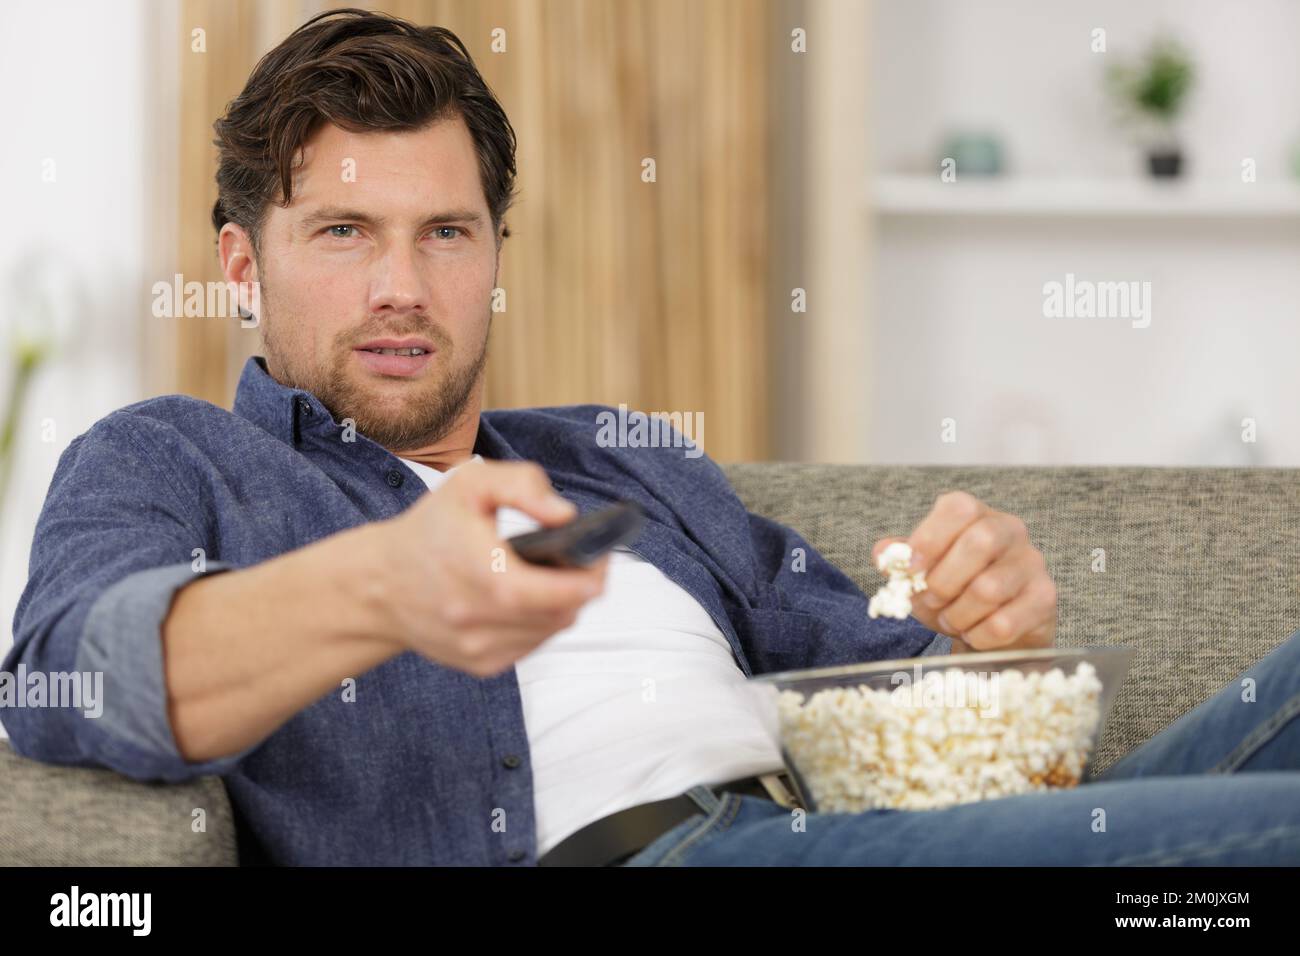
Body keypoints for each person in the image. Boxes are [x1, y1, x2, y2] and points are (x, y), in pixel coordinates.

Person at [4, 8, 1297, 867]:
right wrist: (384, 585)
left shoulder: (623, 460)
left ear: (495, 255)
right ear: (242, 263)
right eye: (343, 234)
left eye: (445, 233)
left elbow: (898, 693)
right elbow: (73, 677)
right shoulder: (173, 458)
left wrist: (991, 631)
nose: (401, 286)